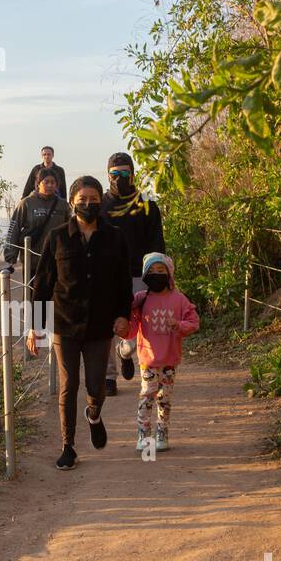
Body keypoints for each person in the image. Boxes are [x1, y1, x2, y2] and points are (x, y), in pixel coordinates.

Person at [28, 176, 132, 470]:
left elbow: (124, 282)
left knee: (96, 384)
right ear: (72, 201)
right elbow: (44, 284)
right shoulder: (58, 237)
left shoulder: (115, 237)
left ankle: (94, 415)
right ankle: (68, 446)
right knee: (68, 384)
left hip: (100, 325)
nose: (88, 204)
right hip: (65, 323)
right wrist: (34, 327)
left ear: (101, 200)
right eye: (83, 199)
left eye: (94, 199)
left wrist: (124, 315)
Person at [100, 151, 165, 396]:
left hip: (140, 274)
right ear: (108, 175)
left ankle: (127, 353)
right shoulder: (101, 206)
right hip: (107, 277)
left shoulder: (147, 204)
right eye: (115, 174)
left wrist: (160, 275)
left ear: (133, 174)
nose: (119, 178)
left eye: (124, 173)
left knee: (140, 329)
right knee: (109, 328)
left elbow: (157, 242)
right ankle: (108, 377)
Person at [124, 252, 199, 453]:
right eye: (151, 271)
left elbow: (194, 323)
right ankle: (143, 434)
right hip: (148, 359)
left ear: (170, 274)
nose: (156, 274)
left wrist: (179, 325)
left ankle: (162, 432)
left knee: (164, 398)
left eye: (161, 270)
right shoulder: (140, 299)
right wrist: (124, 322)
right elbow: (131, 329)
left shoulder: (180, 299)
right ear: (145, 275)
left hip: (170, 360)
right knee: (147, 394)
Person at [3, 167, 68, 266]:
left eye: (53, 182)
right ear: (38, 184)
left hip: (55, 259)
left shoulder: (63, 205)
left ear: (57, 185)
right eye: (46, 182)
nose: (50, 185)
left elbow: (70, 228)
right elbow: (14, 228)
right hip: (32, 260)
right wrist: (10, 258)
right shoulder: (27, 203)